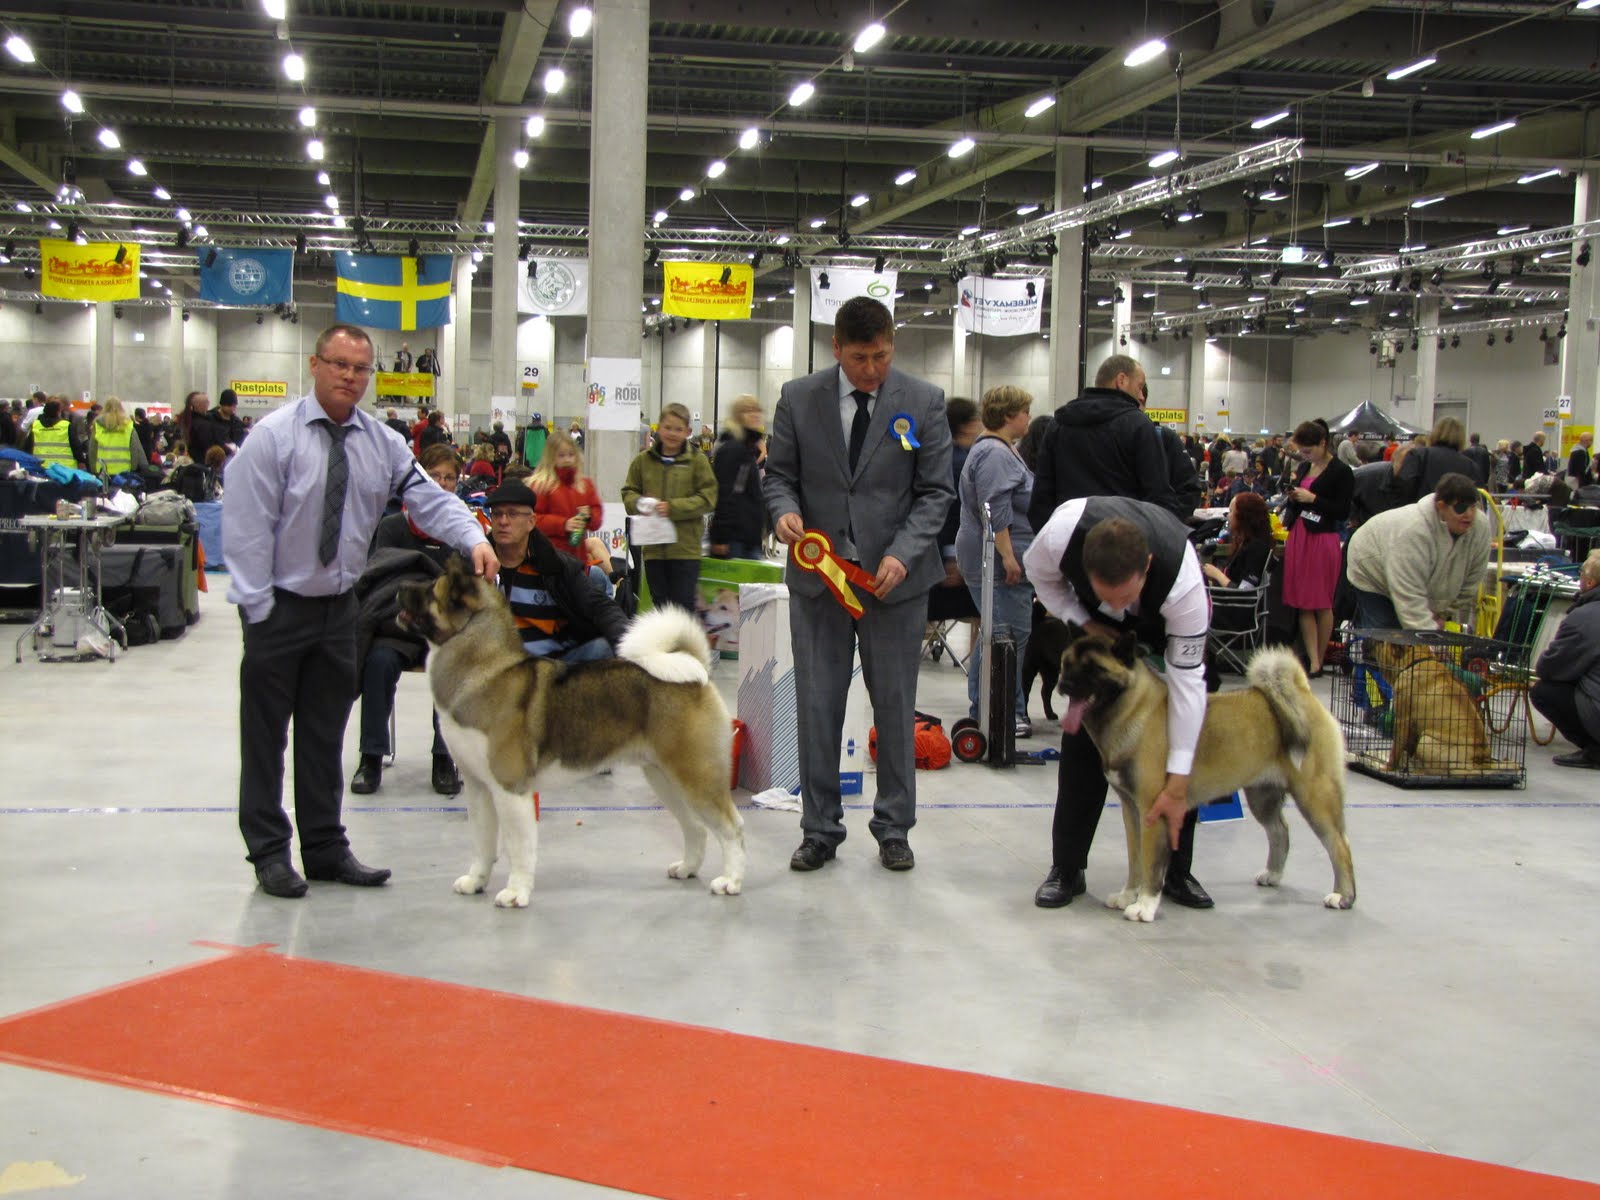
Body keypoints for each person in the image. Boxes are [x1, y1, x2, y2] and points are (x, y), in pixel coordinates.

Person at [222, 323, 498, 900]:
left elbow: (428, 499)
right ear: (315, 364)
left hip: (340, 609)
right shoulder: (272, 439)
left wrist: (473, 536)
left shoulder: (383, 444)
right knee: (266, 739)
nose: (349, 376)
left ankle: (324, 848)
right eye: (339, 364)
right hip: (277, 609)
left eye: (360, 368)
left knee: (325, 735)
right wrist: (258, 610)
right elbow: (245, 531)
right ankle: (269, 852)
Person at [764, 295, 952, 874]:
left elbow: (936, 493)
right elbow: (778, 476)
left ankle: (894, 828)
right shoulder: (798, 398)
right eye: (860, 358)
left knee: (894, 707)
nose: (872, 369)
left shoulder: (924, 400)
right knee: (817, 706)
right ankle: (819, 829)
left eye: (882, 356)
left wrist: (902, 553)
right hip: (819, 583)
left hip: (894, 585)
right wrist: (784, 512)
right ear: (836, 348)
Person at [1023, 354, 1204, 909]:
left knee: (1178, 732)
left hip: (1158, 602)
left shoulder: (1183, 585)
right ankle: (1067, 867)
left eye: (1123, 596)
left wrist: (1179, 777)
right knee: (1081, 730)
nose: (1117, 605)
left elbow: (1190, 688)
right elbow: (1041, 577)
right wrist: (1086, 617)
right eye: (1106, 592)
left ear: (1146, 569)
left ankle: (1175, 871)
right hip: (1091, 608)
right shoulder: (1058, 539)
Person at [350, 444, 467, 798]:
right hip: (397, 626)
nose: (442, 483)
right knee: (378, 662)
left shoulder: (461, 530)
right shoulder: (390, 527)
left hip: (442, 633)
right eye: (435, 476)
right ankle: (370, 757)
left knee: (452, 668)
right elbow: (381, 581)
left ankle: (444, 758)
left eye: (450, 477)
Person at [955, 385, 1034, 736]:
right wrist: (1008, 556)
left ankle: (991, 708)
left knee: (998, 635)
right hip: (997, 562)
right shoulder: (994, 454)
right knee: (1005, 638)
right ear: (1009, 415)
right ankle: (1000, 712)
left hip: (1000, 558)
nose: (1029, 418)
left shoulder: (1003, 450)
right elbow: (994, 508)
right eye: (1025, 412)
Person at [1028, 354, 1183, 529]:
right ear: (1121, 380)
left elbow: (1041, 499)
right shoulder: (1139, 425)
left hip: (1066, 536)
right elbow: (1158, 498)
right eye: (1139, 387)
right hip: (1123, 538)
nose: (1141, 396)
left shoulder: (1058, 424)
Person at [482, 478, 629, 661]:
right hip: (498, 666)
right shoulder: (477, 565)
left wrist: (630, 647)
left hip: (554, 666)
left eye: (512, 514)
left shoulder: (556, 565)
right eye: (497, 514)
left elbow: (601, 606)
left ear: (531, 521)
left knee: (601, 648)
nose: (503, 521)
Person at [1345, 473, 1493, 631]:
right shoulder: (1413, 531)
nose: (1468, 514)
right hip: (1370, 566)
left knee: (1418, 632)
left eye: (1473, 506)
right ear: (1441, 506)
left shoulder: (1480, 527)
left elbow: (1472, 579)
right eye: (1460, 508)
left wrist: (1443, 614)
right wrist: (1427, 634)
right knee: (1388, 634)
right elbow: (1408, 593)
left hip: (1410, 574)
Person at [622, 402, 717, 614]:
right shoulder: (642, 461)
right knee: (661, 609)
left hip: (685, 551)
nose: (672, 433)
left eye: (678, 429)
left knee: (683, 611)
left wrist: (673, 508)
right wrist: (640, 503)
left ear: (688, 432)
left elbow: (708, 498)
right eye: (668, 427)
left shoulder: (698, 461)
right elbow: (628, 492)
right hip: (653, 551)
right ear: (658, 428)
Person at [1281, 420, 1352, 677]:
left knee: (1322, 602)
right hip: (1300, 534)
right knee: (1303, 602)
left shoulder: (1342, 471)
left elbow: (1342, 511)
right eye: (1302, 451)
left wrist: (1313, 499)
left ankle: (1319, 659)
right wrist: (1294, 497)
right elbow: (1299, 504)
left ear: (1323, 443)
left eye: (1308, 451)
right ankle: (1312, 659)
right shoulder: (1303, 467)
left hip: (1322, 538)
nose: (1305, 455)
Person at [1531, 549, 1600, 769]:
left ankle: (1595, 752)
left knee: (1544, 691)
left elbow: (1548, 667)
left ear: (1589, 582)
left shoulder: (1584, 617)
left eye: (1580, 574)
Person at [708, 394, 768, 560]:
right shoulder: (733, 449)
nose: (755, 414)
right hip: (734, 540)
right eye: (747, 410)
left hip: (749, 538)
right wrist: (721, 538)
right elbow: (725, 494)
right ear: (737, 416)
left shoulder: (747, 448)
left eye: (757, 410)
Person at [531, 429, 604, 562]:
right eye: (561, 455)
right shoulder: (540, 485)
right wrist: (563, 524)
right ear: (550, 457)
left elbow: (597, 517)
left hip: (578, 558)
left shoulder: (585, 485)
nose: (567, 459)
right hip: (549, 557)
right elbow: (532, 519)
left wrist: (590, 516)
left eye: (571, 455)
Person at [1202, 491, 1274, 593]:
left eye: (1231, 511)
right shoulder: (1245, 542)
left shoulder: (1256, 548)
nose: (1228, 516)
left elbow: (1244, 592)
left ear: (1244, 516)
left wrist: (1217, 574)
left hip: (1234, 602)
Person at [86, 396, 150, 480]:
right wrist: (133, 468)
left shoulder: (98, 426)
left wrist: (93, 469)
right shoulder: (128, 426)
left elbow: (92, 450)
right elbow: (135, 449)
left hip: (102, 471)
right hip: (124, 471)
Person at [24, 398, 85, 469]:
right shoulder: (65, 426)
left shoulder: (36, 426)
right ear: (58, 412)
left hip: (41, 466)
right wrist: (81, 461)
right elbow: (75, 446)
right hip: (65, 468)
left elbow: (28, 446)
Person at [209, 389, 247, 457]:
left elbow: (240, 440)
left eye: (234, 406)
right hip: (216, 455)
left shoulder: (236, 422)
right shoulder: (210, 418)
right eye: (229, 406)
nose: (232, 408)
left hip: (232, 456)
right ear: (222, 405)